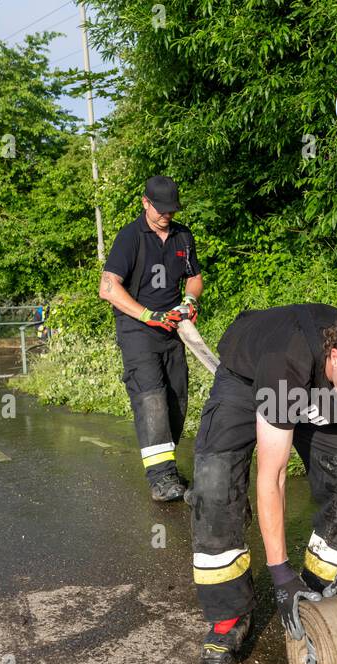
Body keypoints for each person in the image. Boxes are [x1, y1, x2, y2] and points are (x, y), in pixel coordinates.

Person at [190, 303, 337, 664]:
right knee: (215, 486)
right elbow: (273, 475)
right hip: (247, 380)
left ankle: (324, 590)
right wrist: (280, 574)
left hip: (327, 389)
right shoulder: (284, 363)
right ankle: (229, 611)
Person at [99, 175, 201, 501]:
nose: (166, 215)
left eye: (171, 210)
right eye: (160, 209)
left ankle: (166, 467)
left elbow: (194, 278)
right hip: (137, 330)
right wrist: (147, 315)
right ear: (145, 203)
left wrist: (189, 302)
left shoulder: (183, 236)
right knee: (152, 399)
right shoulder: (131, 237)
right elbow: (108, 287)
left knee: (177, 401)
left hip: (172, 331)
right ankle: (161, 479)